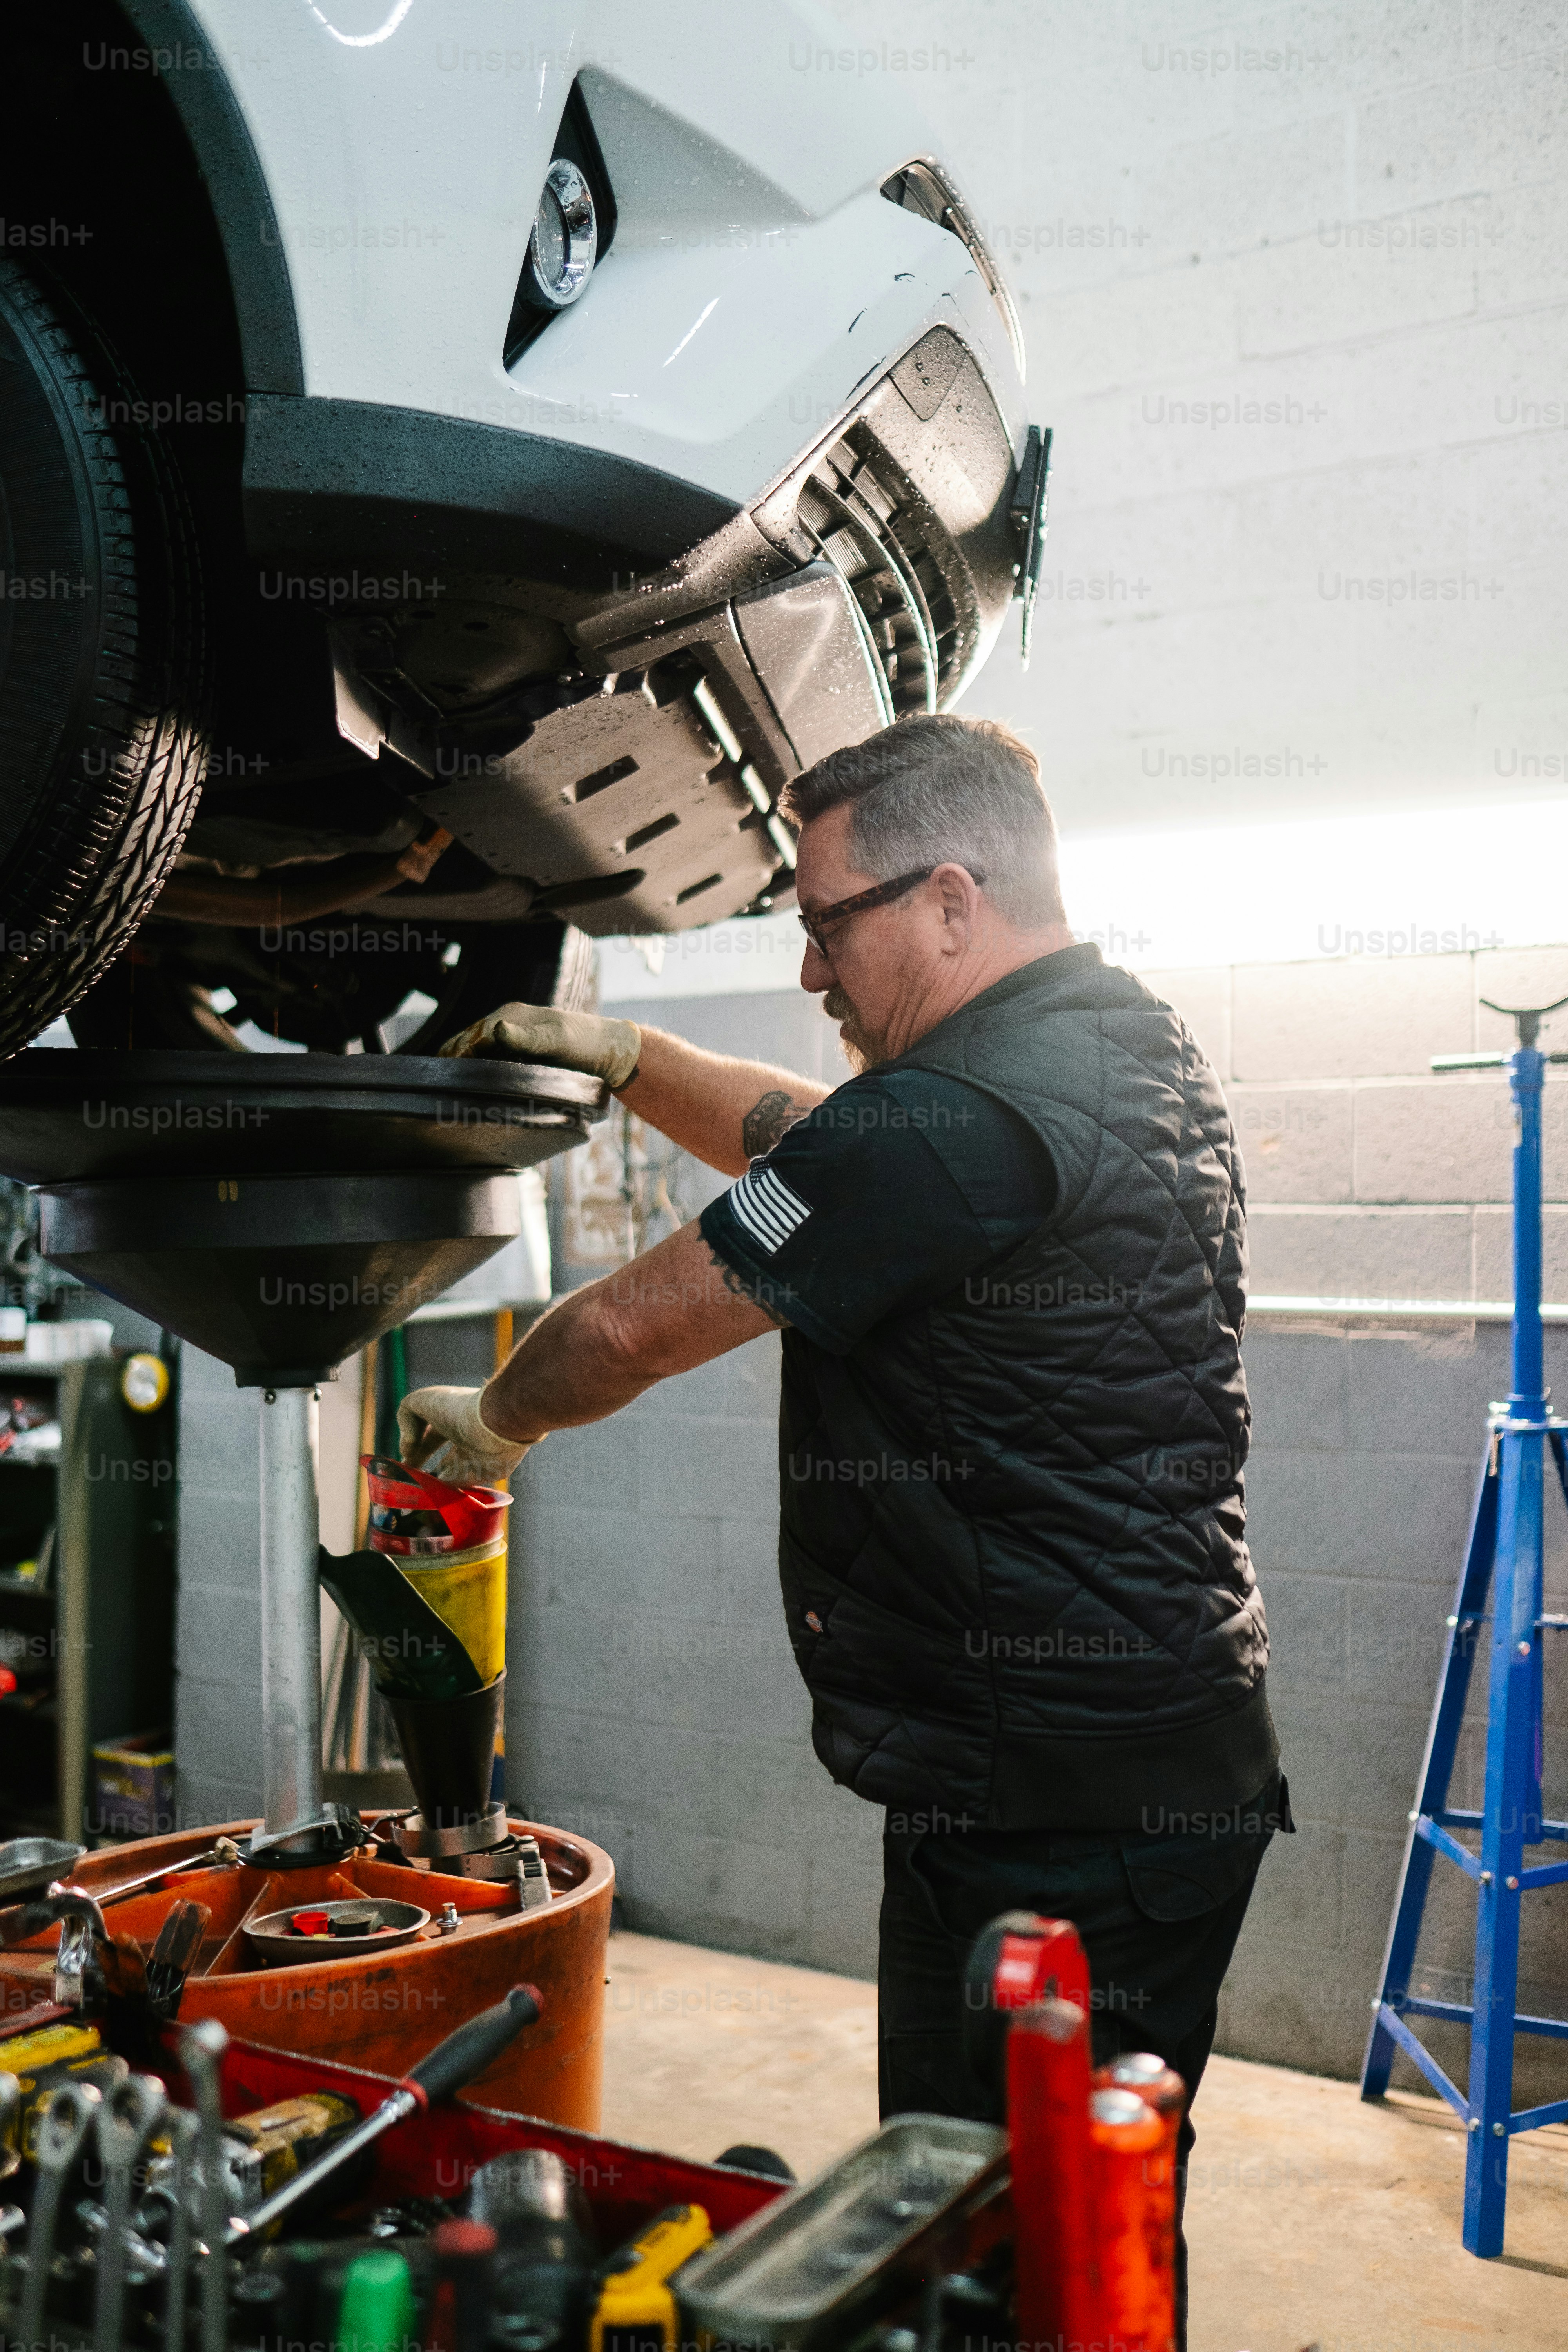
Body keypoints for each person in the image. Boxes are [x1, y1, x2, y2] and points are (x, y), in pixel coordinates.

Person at [399, 712, 1288, 2344]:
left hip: (1045, 1807)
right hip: (1135, 1762)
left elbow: (631, 1326)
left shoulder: (947, 1121)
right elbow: (802, 1130)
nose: (810, 967)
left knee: (988, 2243)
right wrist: (625, 1060)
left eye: (827, 924)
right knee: (1095, 2213)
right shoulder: (1104, 1044)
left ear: (951, 900)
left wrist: (493, 1419)